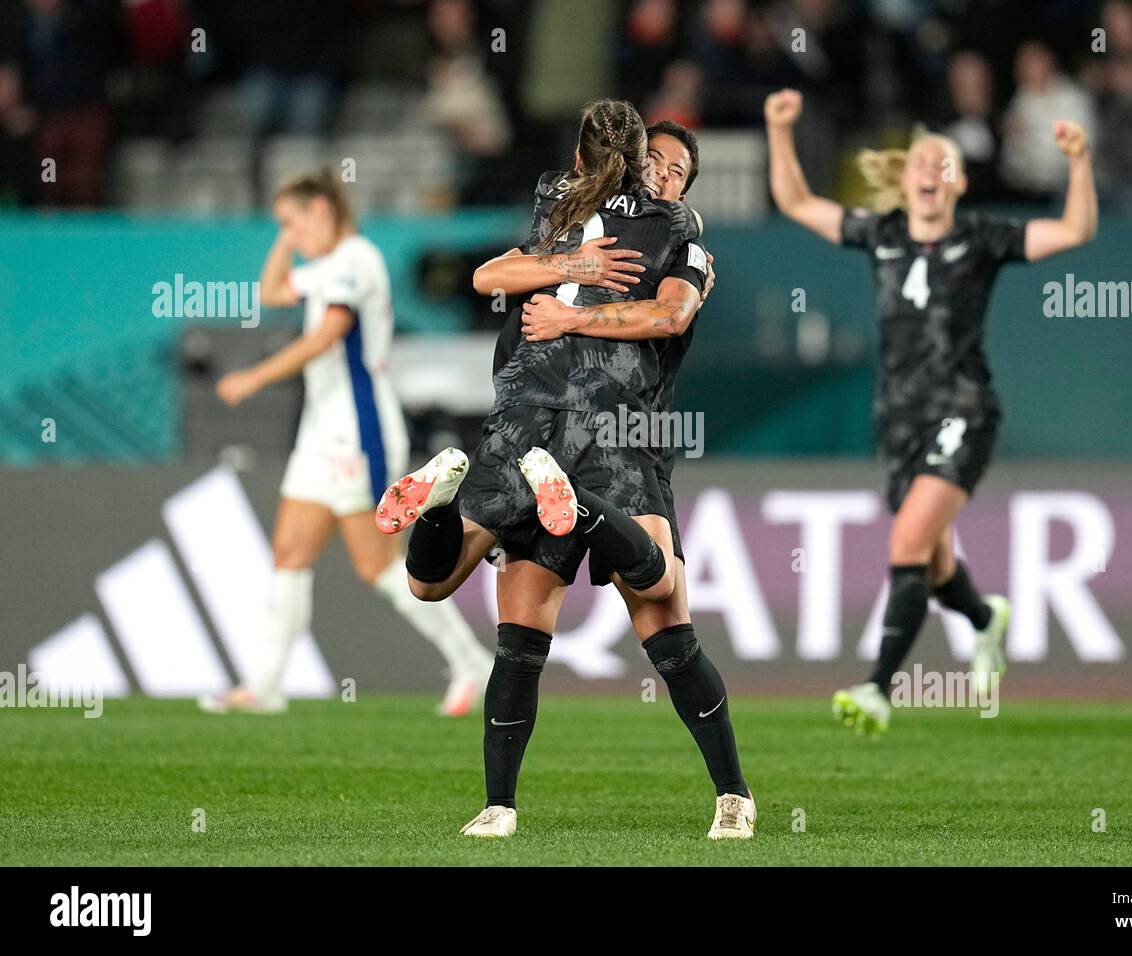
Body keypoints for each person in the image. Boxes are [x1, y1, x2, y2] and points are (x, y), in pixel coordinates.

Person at [378, 102, 754, 838]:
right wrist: (573, 269)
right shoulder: (592, 212)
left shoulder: (682, 244)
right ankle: (507, 804)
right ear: (634, 163)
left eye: (679, 171)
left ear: (688, 187)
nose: (664, 176)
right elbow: (502, 273)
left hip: (564, 425)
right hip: (600, 427)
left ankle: (452, 499)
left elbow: (667, 314)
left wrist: (567, 307)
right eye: (656, 162)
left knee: (445, 585)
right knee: (635, 607)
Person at [764, 87, 1098, 735]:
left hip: (963, 410)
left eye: (942, 165)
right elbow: (797, 202)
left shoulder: (982, 239)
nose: (929, 173)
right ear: (907, 176)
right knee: (935, 562)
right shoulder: (881, 233)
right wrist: (780, 130)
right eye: (920, 163)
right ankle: (981, 618)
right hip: (900, 419)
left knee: (908, 542)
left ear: (960, 182)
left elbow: (1076, 230)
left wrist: (1080, 162)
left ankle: (877, 688)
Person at [200, 169, 492, 717]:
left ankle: (471, 660)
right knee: (289, 552)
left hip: (358, 431)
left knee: (377, 566)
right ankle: (264, 686)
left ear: (323, 212)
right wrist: (287, 239)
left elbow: (328, 334)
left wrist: (256, 378)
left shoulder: (356, 260)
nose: (289, 232)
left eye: (293, 220)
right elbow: (270, 291)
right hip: (319, 432)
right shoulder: (326, 266)